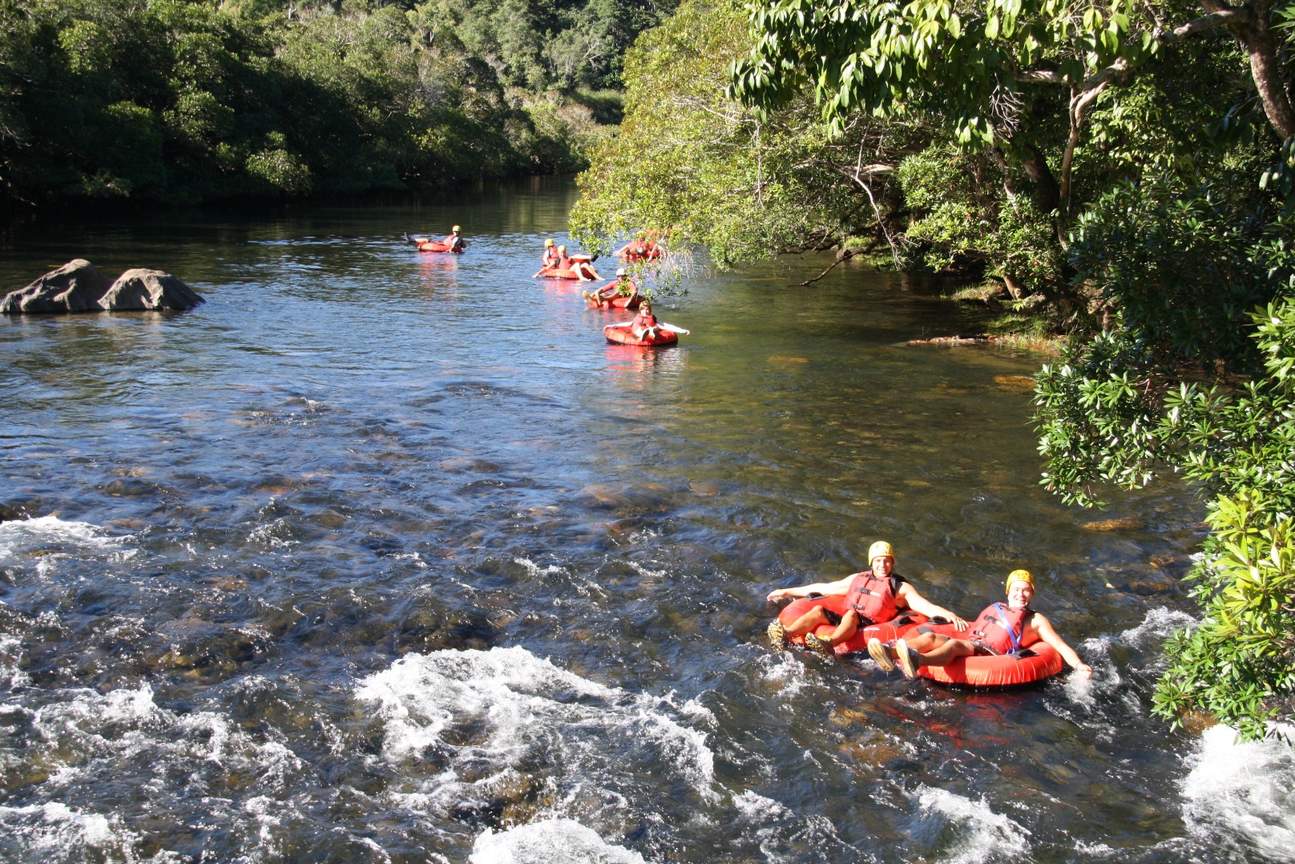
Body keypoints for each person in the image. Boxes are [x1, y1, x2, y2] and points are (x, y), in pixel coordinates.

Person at [869, 568, 1093, 678]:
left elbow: (1059, 645)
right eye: (1017, 589)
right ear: (1008, 591)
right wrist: (955, 623)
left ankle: (919, 660)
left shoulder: (1035, 620)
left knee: (956, 646)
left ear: (1032, 593)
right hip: (974, 643)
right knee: (931, 637)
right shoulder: (997, 607)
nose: (1021, 594)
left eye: (1026, 590)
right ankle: (890, 652)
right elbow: (976, 628)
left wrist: (1079, 665)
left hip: (991, 654)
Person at [766, 541, 968, 658]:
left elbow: (924, 606)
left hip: (869, 622)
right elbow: (825, 588)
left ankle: (829, 643)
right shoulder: (858, 579)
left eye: (887, 561)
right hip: (846, 616)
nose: (883, 565)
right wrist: (786, 591)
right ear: (872, 562)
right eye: (879, 561)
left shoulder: (899, 587)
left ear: (893, 563)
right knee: (818, 611)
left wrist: (950, 615)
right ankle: (786, 634)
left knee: (852, 614)